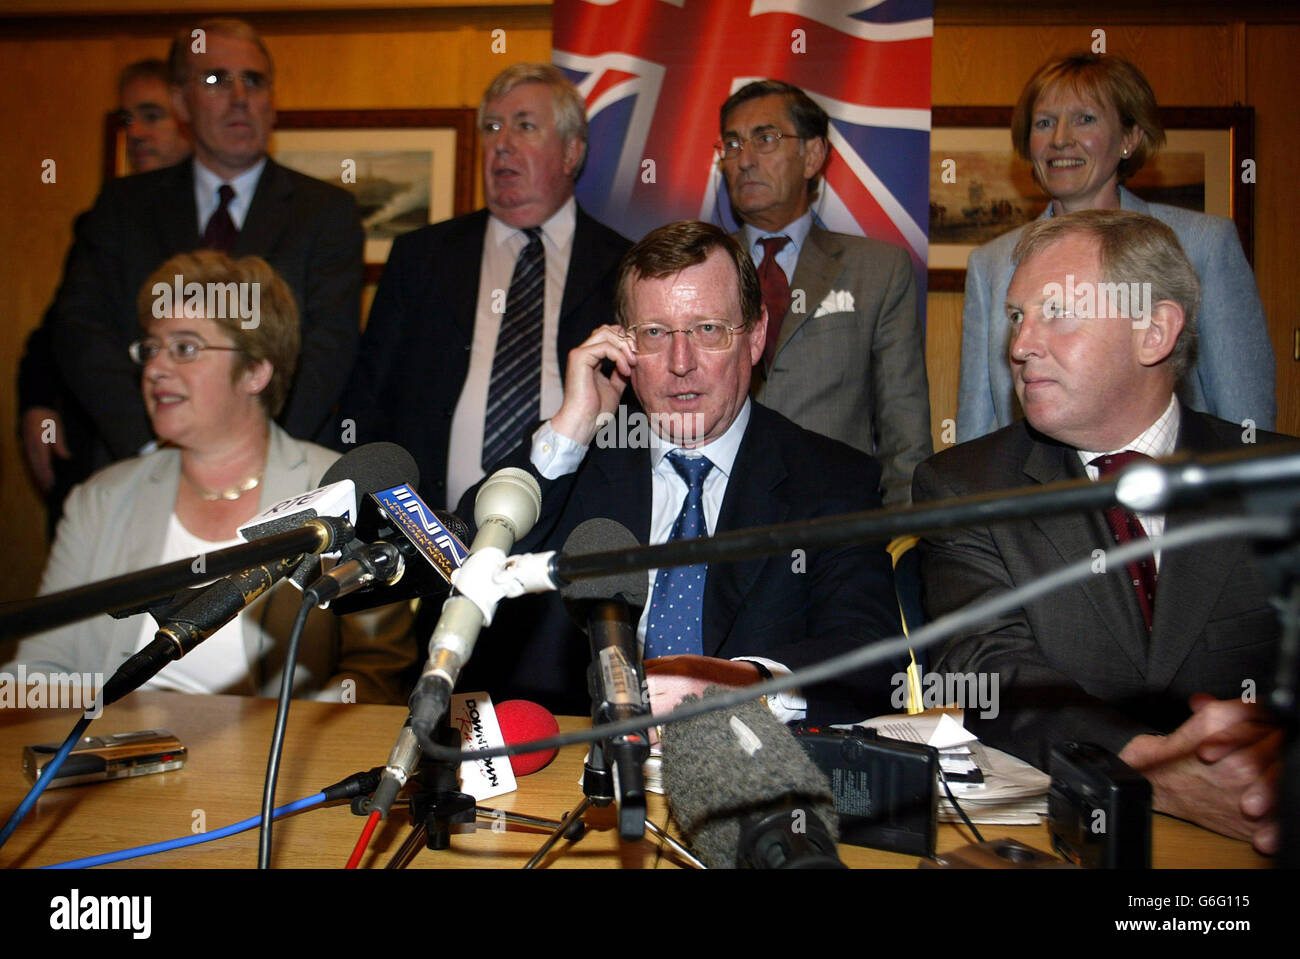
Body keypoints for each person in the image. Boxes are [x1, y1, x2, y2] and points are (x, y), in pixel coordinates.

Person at [916, 210, 1289, 853]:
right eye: (1016, 316)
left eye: (1056, 312)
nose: (1020, 344)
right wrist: (1147, 770)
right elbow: (989, 677)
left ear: (1154, 332)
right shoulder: (965, 488)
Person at [455, 220, 902, 724]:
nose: (680, 362)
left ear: (755, 337)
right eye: (655, 333)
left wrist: (742, 687)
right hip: (568, 769)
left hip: (752, 774)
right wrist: (572, 429)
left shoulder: (829, 481)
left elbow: (872, 662)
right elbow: (453, 560)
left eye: (707, 329)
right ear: (623, 346)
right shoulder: (575, 458)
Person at [2, 252, 412, 703]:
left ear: (256, 370)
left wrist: (273, 757)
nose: (155, 368)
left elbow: (375, 672)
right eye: (151, 348)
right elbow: (39, 666)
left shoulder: (341, 489)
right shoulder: (100, 498)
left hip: (272, 765)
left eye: (185, 348)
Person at [46, 17, 363, 475]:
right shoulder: (123, 207)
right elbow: (84, 335)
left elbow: (327, 350)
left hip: (281, 473)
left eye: (253, 81)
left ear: (272, 100)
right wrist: (152, 447)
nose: (239, 98)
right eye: (215, 79)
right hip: (140, 466)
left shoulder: (324, 211)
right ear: (181, 102)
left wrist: (254, 453)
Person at [339, 63, 631, 509]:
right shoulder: (421, 257)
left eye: (525, 126)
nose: (502, 144)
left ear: (572, 152)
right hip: (428, 528)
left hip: (570, 522)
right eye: (491, 128)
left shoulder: (625, 266)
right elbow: (367, 396)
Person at [955, 52, 1274, 442]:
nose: (1059, 139)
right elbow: (977, 425)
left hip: (1182, 492)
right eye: (1044, 123)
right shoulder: (991, 263)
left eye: (1084, 119)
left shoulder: (1203, 245)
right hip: (1036, 494)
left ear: (1129, 138)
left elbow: (1247, 418)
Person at [716, 80, 930, 506]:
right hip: (719, 523)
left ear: (813, 155)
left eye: (766, 138)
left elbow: (904, 434)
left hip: (836, 528)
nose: (745, 160)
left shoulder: (878, 270)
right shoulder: (700, 271)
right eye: (733, 144)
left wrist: (903, 545)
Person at [18, 58, 192, 535]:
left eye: (152, 115)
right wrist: (37, 403)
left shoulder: (227, 221)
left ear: (189, 115)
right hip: (97, 452)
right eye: (127, 119)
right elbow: (62, 327)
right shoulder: (109, 214)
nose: (135, 132)